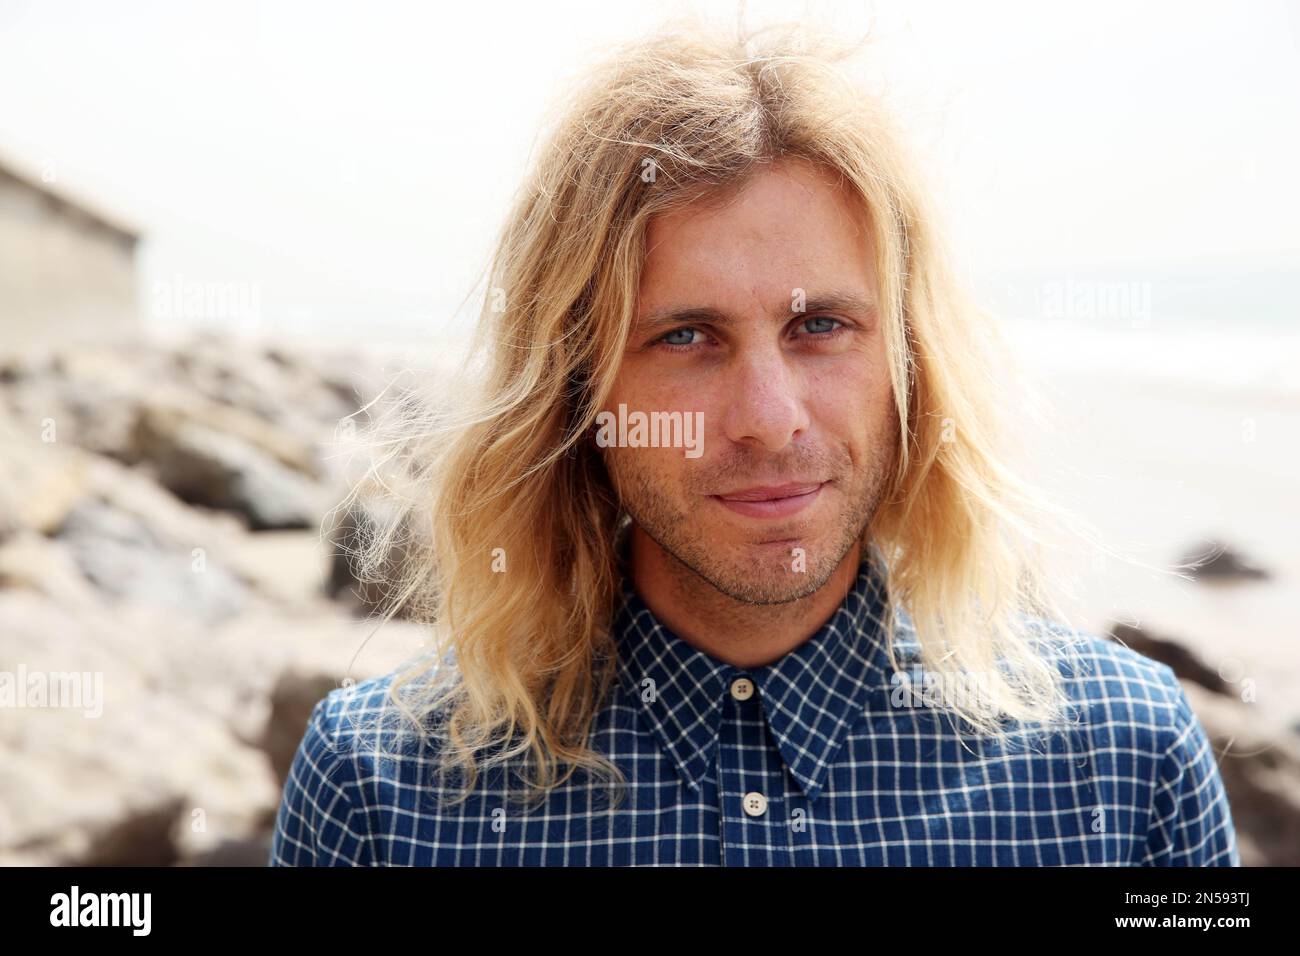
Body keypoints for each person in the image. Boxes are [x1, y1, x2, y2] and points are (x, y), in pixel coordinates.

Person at [269, 20, 1239, 866]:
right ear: (577, 388)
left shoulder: (1121, 758)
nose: (770, 417)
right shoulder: (383, 791)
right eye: (685, 337)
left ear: (908, 360)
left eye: (820, 326)